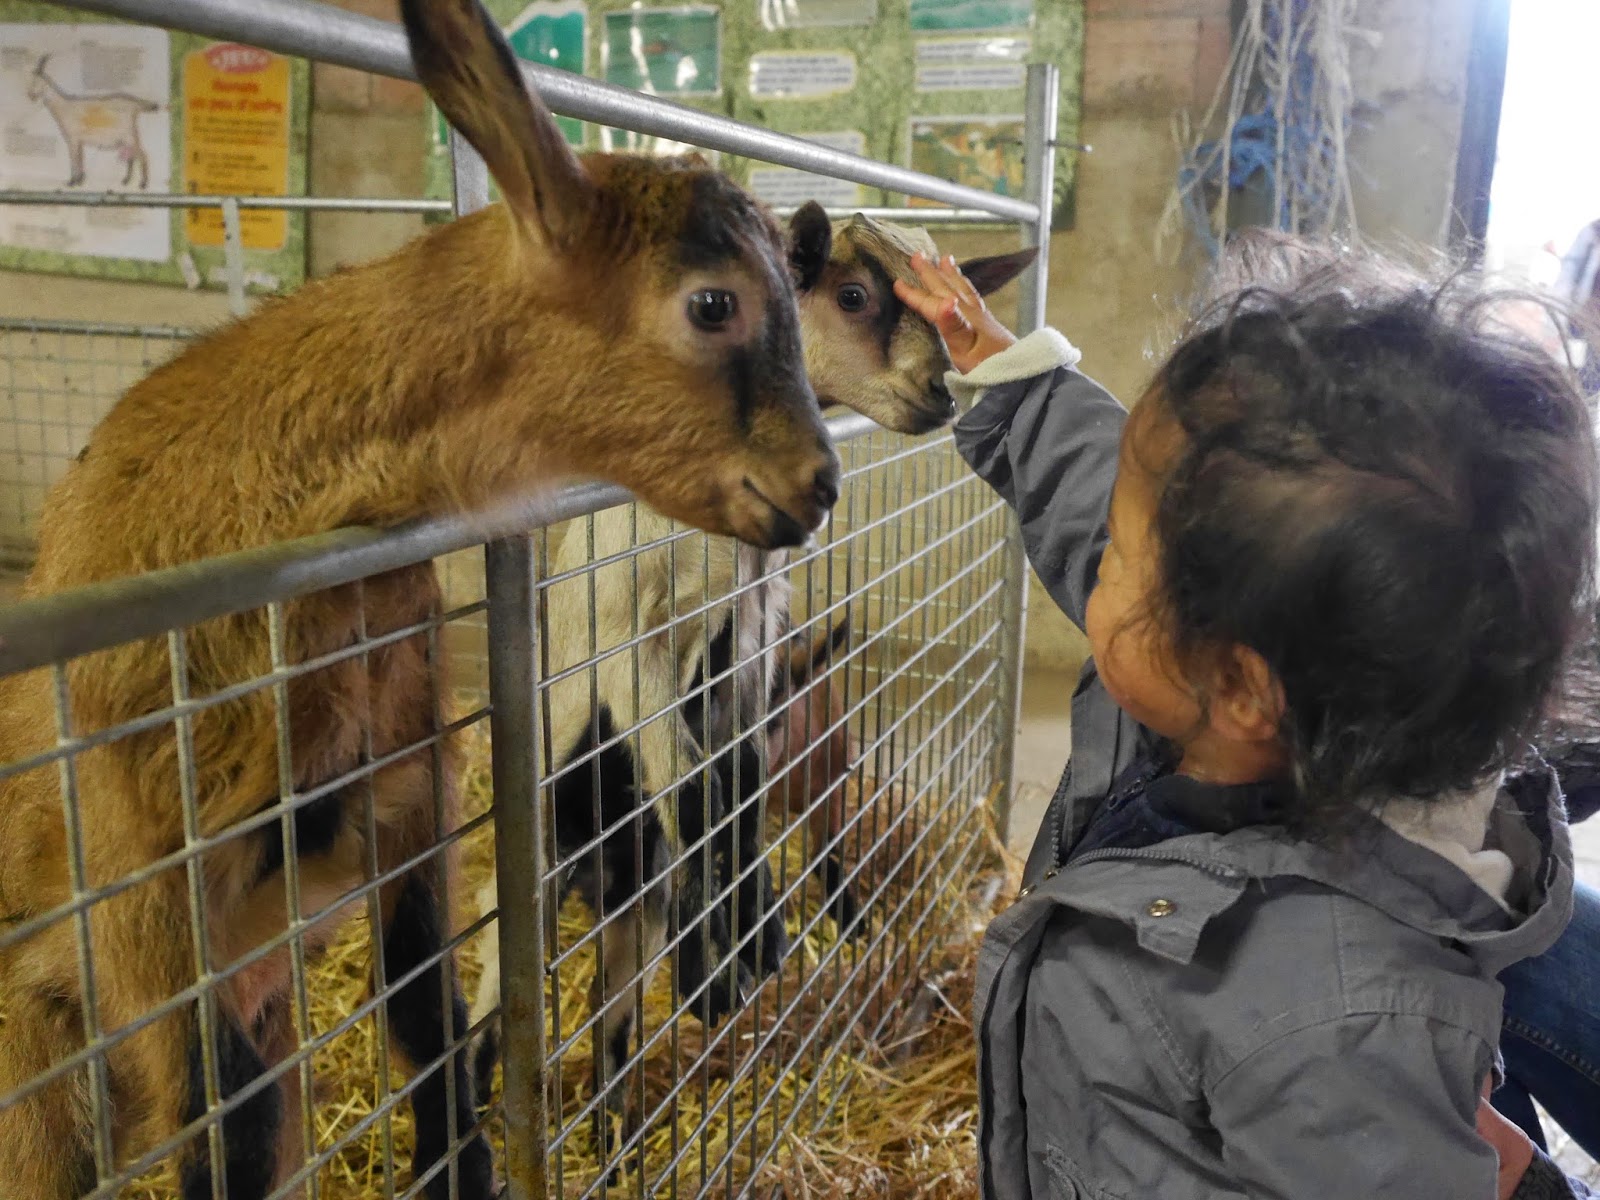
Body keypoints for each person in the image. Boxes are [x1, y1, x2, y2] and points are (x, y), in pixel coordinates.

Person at [891, 233, 1599, 1198]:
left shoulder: (1338, 1013)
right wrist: (1012, 382)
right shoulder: (1247, 685)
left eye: (1121, 558)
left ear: (1236, 682)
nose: (1101, 553)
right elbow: (1101, 489)